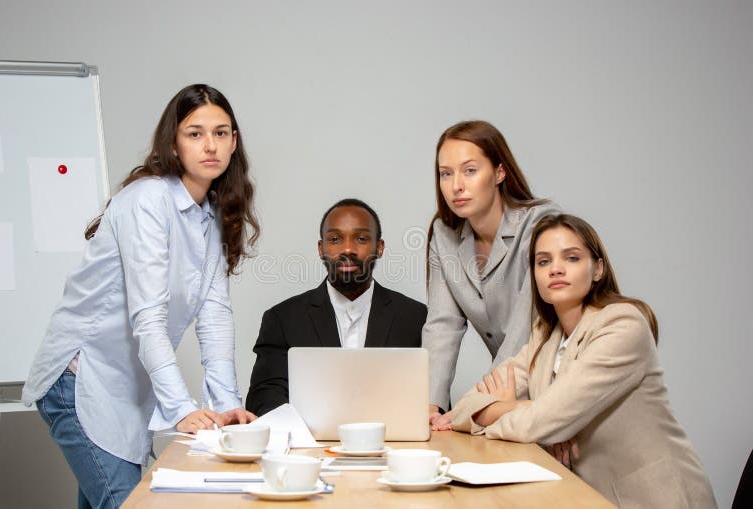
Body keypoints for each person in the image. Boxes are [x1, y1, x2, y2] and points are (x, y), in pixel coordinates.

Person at [21, 84, 260, 509]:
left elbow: (215, 317)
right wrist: (182, 408)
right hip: (81, 379)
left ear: (233, 141)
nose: (210, 145)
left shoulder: (210, 215)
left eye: (221, 133)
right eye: (195, 133)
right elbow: (148, 318)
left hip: (126, 390)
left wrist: (227, 406)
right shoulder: (148, 200)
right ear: (174, 143)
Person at [435, 213, 716, 508]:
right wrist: (533, 413)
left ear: (598, 269)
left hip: (654, 497)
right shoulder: (545, 336)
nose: (556, 269)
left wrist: (521, 415)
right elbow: (466, 407)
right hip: (587, 495)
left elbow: (540, 423)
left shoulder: (623, 325)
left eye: (571, 258)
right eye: (543, 261)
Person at [423, 120, 559, 420]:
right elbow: (442, 325)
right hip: (507, 395)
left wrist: (472, 406)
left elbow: (524, 331)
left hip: (560, 385)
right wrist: (430, 406)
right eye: (446, 173)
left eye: (470, 170)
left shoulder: (540, 226)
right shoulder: (444, 234)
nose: (456, 185)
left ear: (500, 172)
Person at [246, 198, 427, 416]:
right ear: (321, 249)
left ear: (379, 247)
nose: (348, 249)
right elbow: (264, 398)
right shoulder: (282, 319)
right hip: (311, 437)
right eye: (335, 239)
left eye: (361, 238)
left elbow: (432, 400)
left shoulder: (415, 318)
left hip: (393, 436)